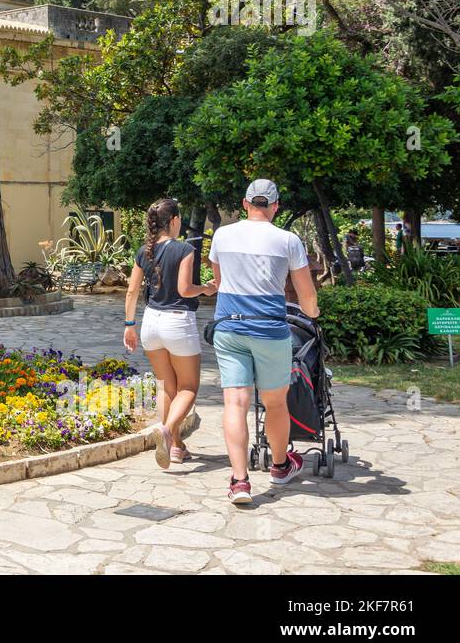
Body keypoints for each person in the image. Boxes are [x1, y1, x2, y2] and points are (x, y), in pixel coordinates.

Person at [209, 179, 319, 505]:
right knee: (275, 403)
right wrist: (313, 313)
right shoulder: (288, 240)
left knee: (236, 403)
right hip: (270, 331)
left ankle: (240, 481)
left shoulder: (222, 235)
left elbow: (218, 281)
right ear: (275, 207)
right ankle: (281, 466)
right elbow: (306, 294)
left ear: (245, 204)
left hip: (229, 328)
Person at [123, 198, 218, 469]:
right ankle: (167, 430)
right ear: (175, 220)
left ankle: (176, 447)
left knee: (168, 386)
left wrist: (129, 325)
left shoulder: (144, 251)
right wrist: (207, 289)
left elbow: (131, 291)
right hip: (177, 322)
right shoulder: (185, 249)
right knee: (188, 387)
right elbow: (185, 289)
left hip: (150, 322)